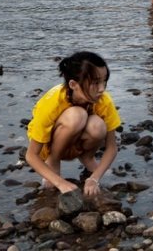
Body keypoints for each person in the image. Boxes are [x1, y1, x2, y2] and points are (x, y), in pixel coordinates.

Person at [25, 51, 121, 196]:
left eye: (104, 81)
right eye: (95, 83)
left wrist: (94, 179)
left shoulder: (103, 101)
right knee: (77, 115)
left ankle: (87, 157)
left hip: (78, 145)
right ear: (73, 84)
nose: (102, 89)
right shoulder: (52, 102)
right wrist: (60, 182)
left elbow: (112, 148)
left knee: (97, 125)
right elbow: (31, 155)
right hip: (50, 147)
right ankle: (54, 161)